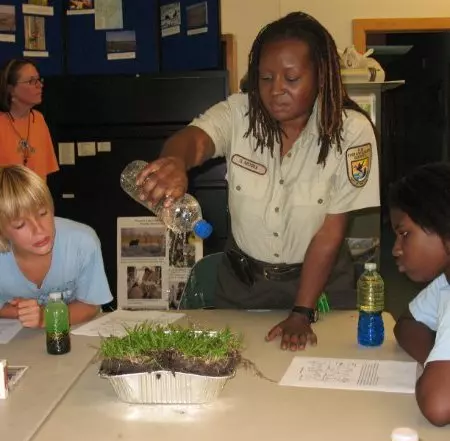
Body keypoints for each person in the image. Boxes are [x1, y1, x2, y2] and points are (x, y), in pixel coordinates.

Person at [136, 12, 380, 350]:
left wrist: (302, 310)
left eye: (291, 78)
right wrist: (176, 161)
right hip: (243, 284)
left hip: (320, 287)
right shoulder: (240, 114)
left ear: (321, 76)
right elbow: (196, 138)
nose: (276, 89)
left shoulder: (350, 132)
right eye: (266, 77)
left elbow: (330, 231)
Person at [0, 165, 112, 328]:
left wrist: (44, 317)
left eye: (43, 213)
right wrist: (22, 312)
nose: (39, 230)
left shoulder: (82, 242)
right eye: (20, 224)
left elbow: (90, 305)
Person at [391, 162, 450, 427]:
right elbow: (406, 324)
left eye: (405, 234)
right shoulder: (444, 282)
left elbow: (439, 405)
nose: (396, 249)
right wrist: (436, 362)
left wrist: (438, 376)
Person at [0, 58, 59, 181]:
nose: (40, 85)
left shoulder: (39, 120)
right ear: (11, 89)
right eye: (32, 81)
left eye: (39, 80)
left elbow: (44, 174)